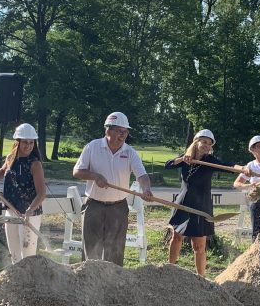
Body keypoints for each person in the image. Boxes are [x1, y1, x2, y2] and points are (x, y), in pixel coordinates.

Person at [73, 112, 154, 266]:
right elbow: (77, 171)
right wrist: (95, 176)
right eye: (119, 131)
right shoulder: (92, 147)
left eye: (125, 132)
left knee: (115, 252)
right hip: (93, 205)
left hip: (118, 207)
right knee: (91, 250)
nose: (123, 135)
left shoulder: (130, 152)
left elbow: (142, 175)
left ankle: (113, 279)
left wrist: (146, 189)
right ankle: (90, 278)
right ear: (108, 130)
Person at [165, 129, 248, 276]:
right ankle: (169, 270)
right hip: (183, 202)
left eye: (209, 144)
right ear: (196, 142)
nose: (207, 146)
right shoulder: (186, 158)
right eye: (204, 142)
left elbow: (228, 165)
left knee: (199, 245)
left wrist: (242, 169)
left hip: (201, 205)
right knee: (176, 237)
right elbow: (168, 165)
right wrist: (182, 159)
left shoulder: (210, 161)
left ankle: (201, 278)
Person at [0, 123, 47, 264]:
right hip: (11, 210)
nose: (28, 146)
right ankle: (17, 278)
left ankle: (29, 277)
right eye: (25, 142)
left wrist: (30, 210)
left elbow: (42, 193)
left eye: (31, 142)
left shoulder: (35, 164)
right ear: (17, 142)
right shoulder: (10, 158)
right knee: (14, 254)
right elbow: (3, 170)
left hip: (29, 215)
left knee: (27, 255)